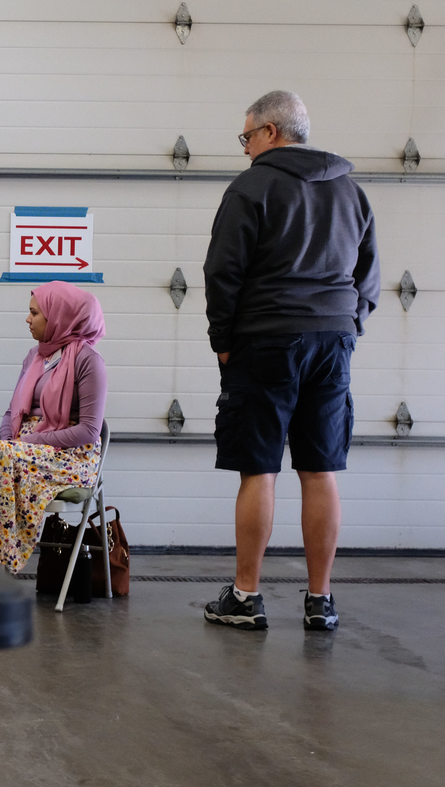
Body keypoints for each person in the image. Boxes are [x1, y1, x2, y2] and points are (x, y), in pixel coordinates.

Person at [200, 91, 380, 633]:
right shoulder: (351, 192)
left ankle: (247, 596)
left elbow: (221, 273)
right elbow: (368, 278)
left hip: (265, 341)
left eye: (247, 136)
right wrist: (348, 326)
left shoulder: (251, 187)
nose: (245, 148)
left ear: (272, 132)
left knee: (259, 468)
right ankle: (320, 601)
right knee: (320, 468)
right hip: (331, 343)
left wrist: (223, 340)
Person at [0, 281, 107, 574]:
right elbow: (11, 411)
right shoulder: (35, 356)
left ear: (59, 317)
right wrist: (10, 443)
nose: (27, 319)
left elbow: (90, 430)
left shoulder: (88, 361)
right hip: (22, 453)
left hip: (70, 456)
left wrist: (30, 442)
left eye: (34, 313)